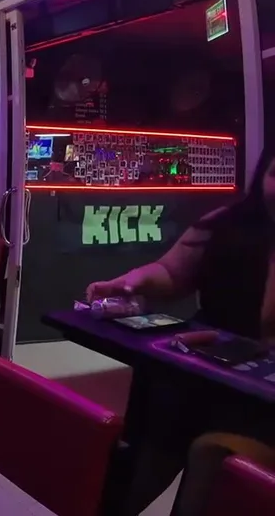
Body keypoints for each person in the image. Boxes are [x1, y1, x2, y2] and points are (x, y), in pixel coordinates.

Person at [85, 147, 275, 513]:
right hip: (199, 372)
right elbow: (172, 273)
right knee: (143, 462)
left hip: (261, 407)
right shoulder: (228, 222)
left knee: (212, 465)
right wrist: (132, 281)